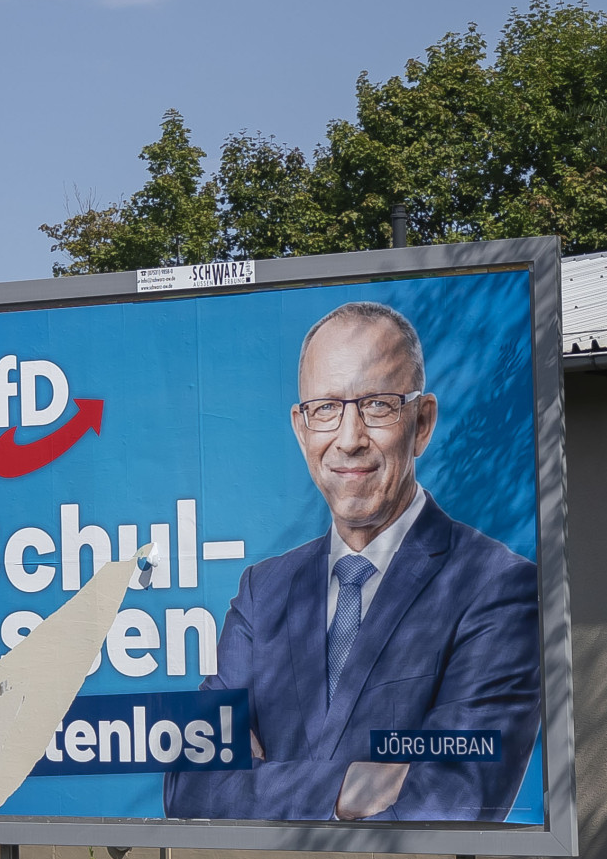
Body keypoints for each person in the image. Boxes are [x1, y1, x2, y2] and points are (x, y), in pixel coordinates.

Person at [163, 301, 541, 823]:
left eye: (378, 406)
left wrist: (258, 783)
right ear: (301, 428)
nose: (348, 438)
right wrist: (348, 785)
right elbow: (186, 782)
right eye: (325, 409)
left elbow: (452, 801)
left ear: (423, 423)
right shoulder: (263, 591)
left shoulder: (499, 589)